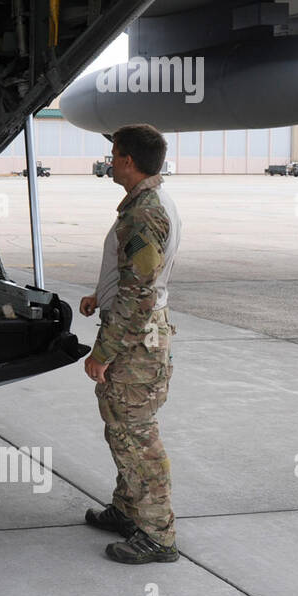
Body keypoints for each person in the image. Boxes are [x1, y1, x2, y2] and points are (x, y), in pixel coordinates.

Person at [78, 124, 182, 564]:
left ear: (128, 161)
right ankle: (128, 509)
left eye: (115, 153)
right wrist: (98, 295)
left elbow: (139, 293)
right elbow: (132, 278)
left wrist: (103, 352)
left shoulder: (144, 214)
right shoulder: (145, 204)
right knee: (121, 427)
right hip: (137, 332)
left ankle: (159, 535)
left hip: (136, 342)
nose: (111, 160)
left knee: (136, 435)